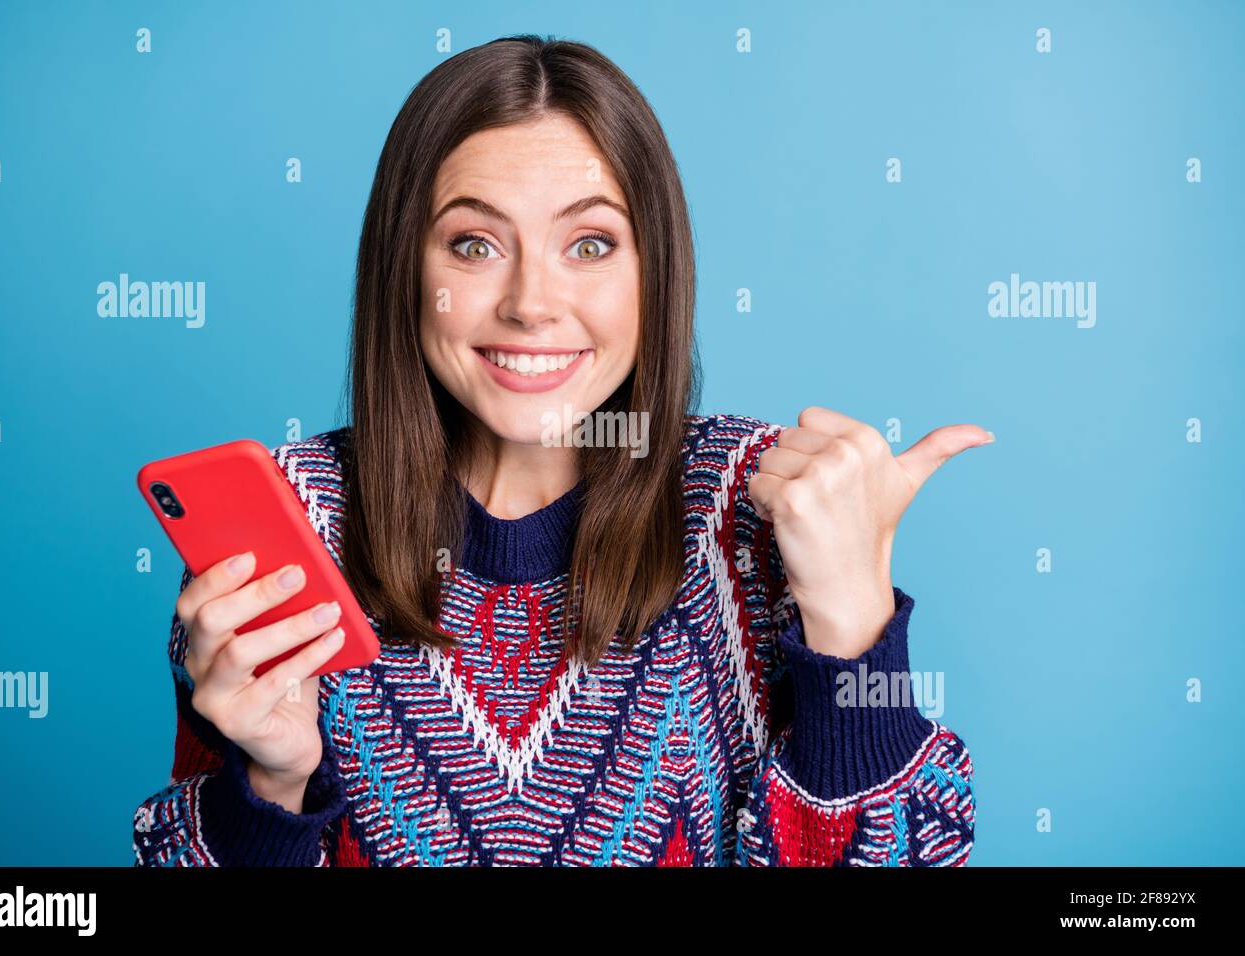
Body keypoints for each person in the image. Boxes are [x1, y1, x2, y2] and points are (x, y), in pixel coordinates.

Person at [132, 34, 985, 867]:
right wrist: (272, 789)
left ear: (656, 270)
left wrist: (853, 631)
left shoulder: (760, 506)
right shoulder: (289, 528)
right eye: (474, 245)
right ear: (404, 267)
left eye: (590, 245)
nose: (531, 304)